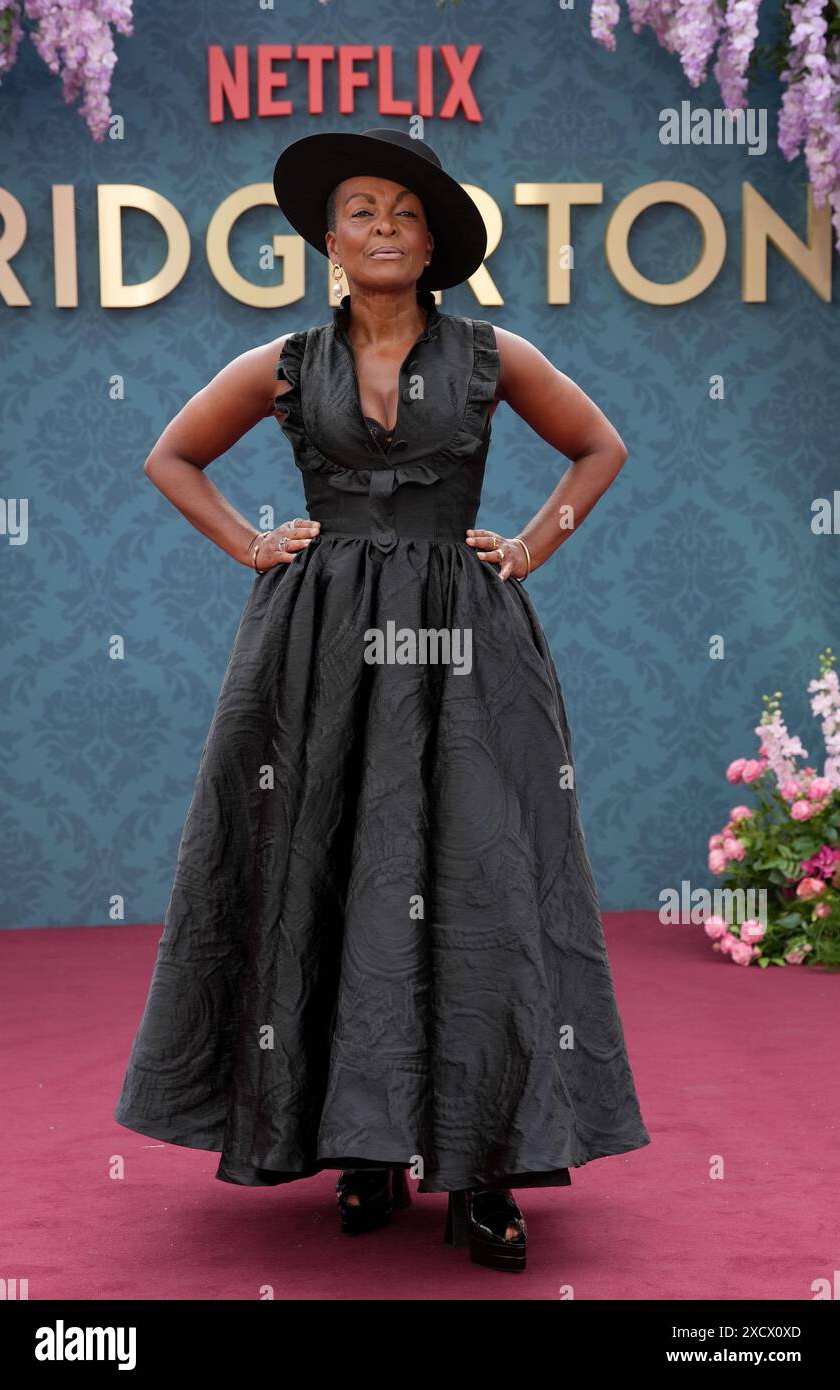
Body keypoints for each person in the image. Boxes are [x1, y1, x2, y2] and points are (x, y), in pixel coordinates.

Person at [114, 126, 650, 1274]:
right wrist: (253, 544)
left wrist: (530, 548)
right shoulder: (283, 362)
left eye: (404, 213)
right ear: (326, 240)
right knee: (327, 864)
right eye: (360, 212)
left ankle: (489, 1164)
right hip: (318, 648)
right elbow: (171, 456)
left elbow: (598, 448)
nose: (383, 229)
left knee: (479, 877)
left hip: (463, 644)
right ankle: (360, 1146)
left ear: (434, 242)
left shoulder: (493, 354)